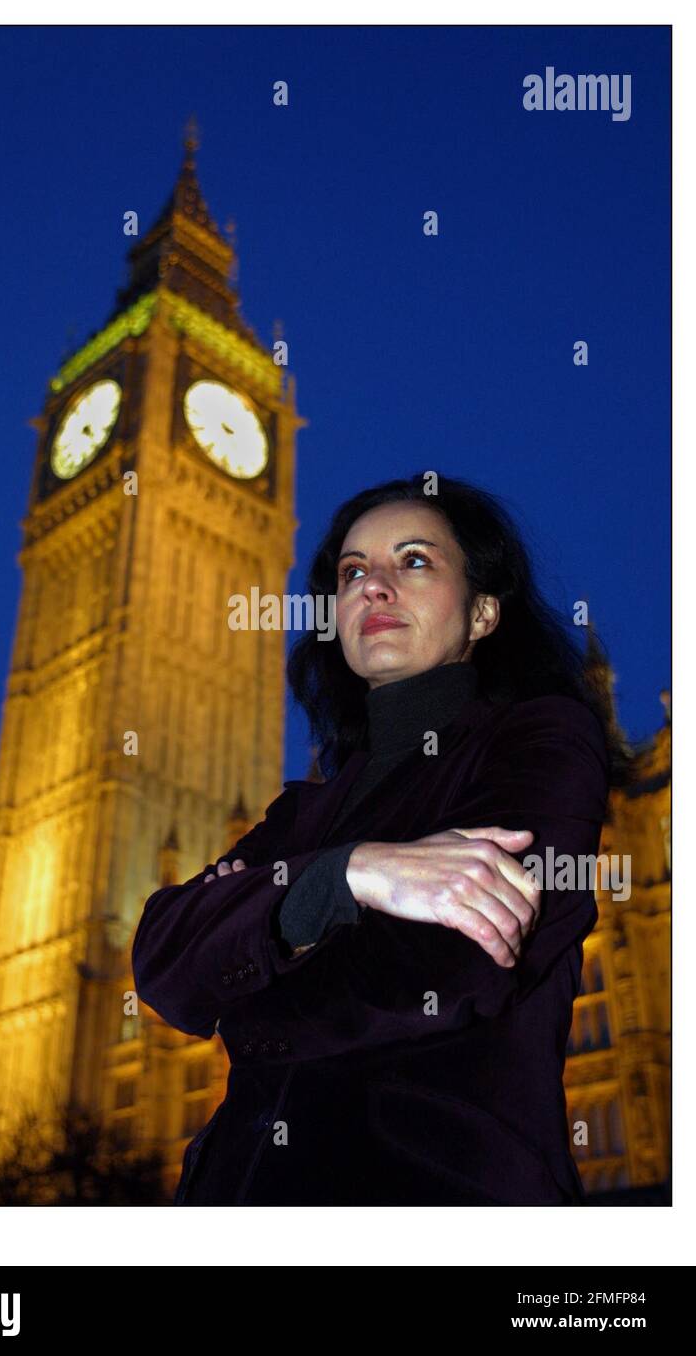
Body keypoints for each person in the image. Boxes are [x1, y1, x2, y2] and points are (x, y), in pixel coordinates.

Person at [132, 474, 630, 1205]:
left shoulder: (544, 738)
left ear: (484, 612)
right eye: (353, 571)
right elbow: (162, 957)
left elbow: (453, 968)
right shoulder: (301, 815)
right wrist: (347, 874)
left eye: (414, 561)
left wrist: (247, 984)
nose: (374, 586)